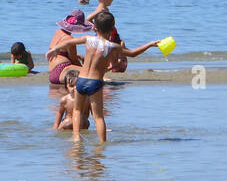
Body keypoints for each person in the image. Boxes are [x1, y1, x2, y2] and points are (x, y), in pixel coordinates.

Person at [49, 12, 159, 142]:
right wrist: (150, 44)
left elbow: (70, 42)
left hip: (81, 80)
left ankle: (76, 137)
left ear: (94, 28)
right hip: (95, 82)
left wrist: (55, 49)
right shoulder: (112, 46)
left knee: (77, 110)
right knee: (98, 117)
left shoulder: (87, 39)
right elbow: (133, 53)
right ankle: (102, 143)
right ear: (112, 29)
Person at [88, 0, 128, 73]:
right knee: (112, 52)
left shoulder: (104, 8)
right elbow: (88, 19)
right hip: (106, 34)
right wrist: (96, 28)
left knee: (119, 48)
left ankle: (114, 66)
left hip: (111, 33)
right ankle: (111, 67)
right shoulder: (100, 9)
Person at [47, 12, 91, 86]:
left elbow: (60, 53)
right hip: (63, 69)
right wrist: (81, 67)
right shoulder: (69, 39)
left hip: (52, 72)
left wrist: (78, 56)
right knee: (91, 74)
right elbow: (74, 60)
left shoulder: (57, 32)